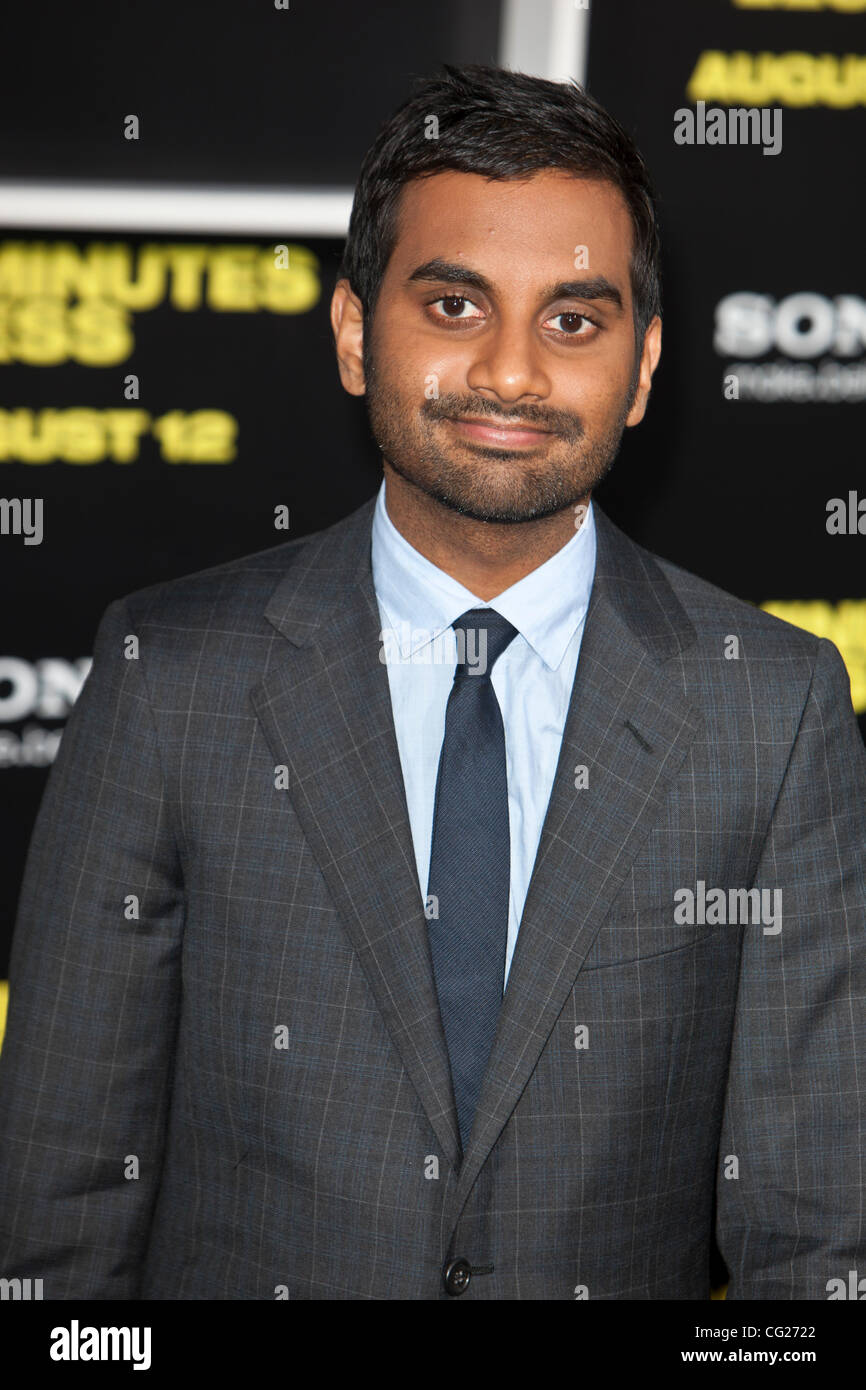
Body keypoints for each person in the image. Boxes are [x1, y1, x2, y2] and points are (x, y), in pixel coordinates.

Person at [1, 63, 864, 1301]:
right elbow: (57, 1209)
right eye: (455, 306)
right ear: (356, 334)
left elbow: (814, 1239)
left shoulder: (768, 709)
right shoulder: (169, 679)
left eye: (572, 319)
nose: (510, 374)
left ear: (643, 359)